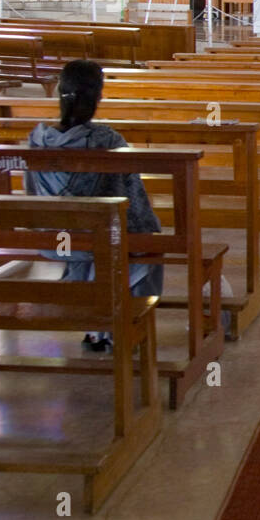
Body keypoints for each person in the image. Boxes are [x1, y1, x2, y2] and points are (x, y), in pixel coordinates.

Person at [25, 59, 163, 351]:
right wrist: (149, 232)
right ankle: (121, 326)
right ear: (98, 96)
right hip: (97, 238)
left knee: (93, 235)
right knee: (133, 240)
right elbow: (131, 197)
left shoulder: (37, 141)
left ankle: (94, 327)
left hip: (53, 238)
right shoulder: (108, 140)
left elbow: (33, 195)